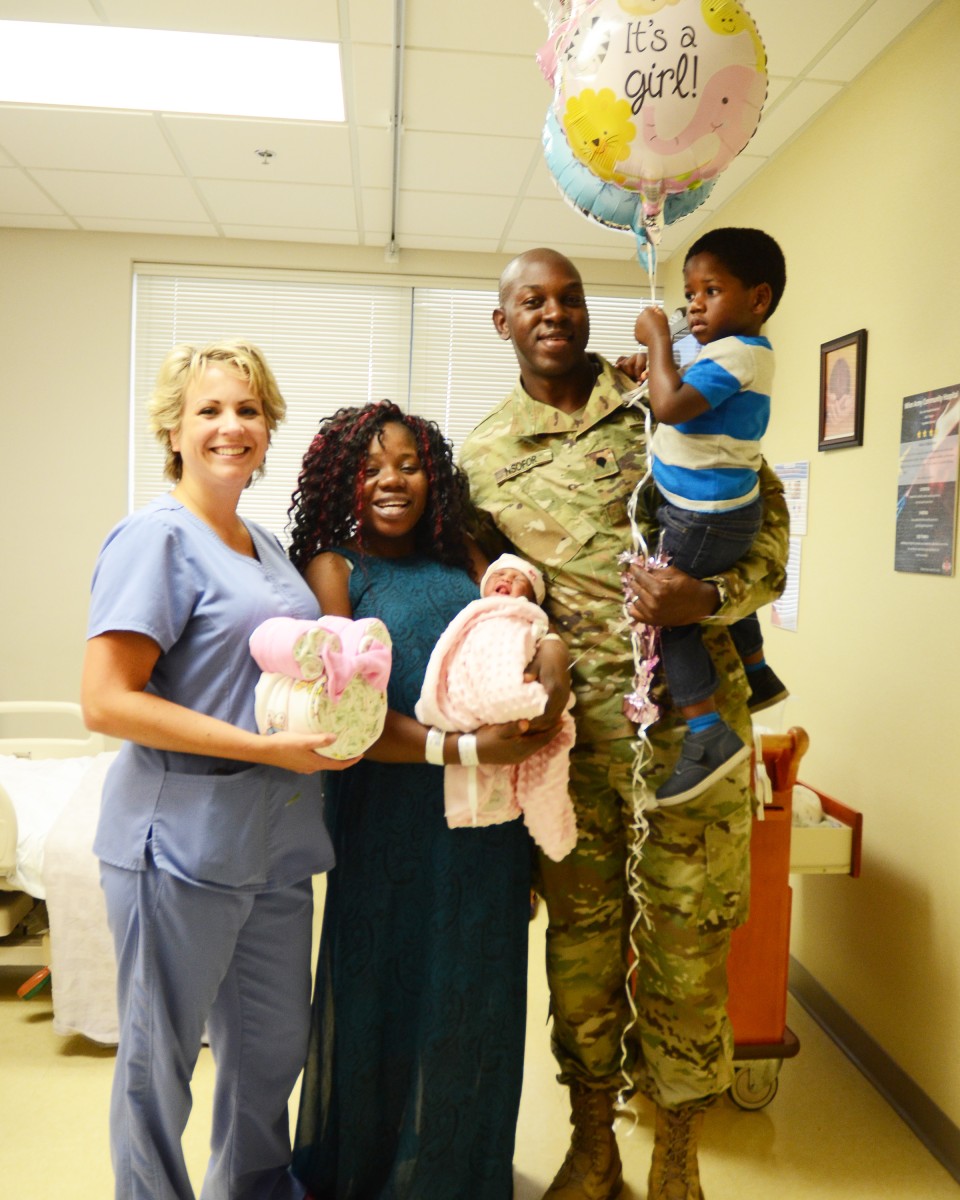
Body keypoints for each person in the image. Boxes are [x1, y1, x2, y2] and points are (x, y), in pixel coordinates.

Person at [459, 248, 789, 1200]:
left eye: (569, 298)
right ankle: (593, 1142)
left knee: (691, 947)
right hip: (572, 751)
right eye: (532, 301)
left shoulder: (667, 393)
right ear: (504, 323)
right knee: (582, 951)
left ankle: (677, 1151)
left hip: (694, 743)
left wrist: (711, 593)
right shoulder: (482, 457)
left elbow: (763, 537)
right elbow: (485, 603)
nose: (554, 314)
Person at [81, 340, 357, 1200]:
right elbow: (106, 702)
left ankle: (255, 1189)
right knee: (160, 1063)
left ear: (269, 430)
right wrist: (262, 749)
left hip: (275, 842)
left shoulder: (266, 546)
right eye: (209, 410)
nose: (231, 426)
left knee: (272, 1047)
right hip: (182, 841)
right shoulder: (154, 539)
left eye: (248, 409)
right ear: (172, 430)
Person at [287, 400, 568, 1200]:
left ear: (433, 475)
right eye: (372, 468)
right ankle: (371, 1174)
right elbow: (346, 722)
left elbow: (526, 619)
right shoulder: (336, 570)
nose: (391, 480)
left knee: (473, 1000)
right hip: (387, 820)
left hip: (482, 824)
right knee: (382, 995)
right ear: (343, 480)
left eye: (408, 464)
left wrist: (550, 653)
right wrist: (462, 746)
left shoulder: (467, 553)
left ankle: (456, 1173)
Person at [632, 226, 789, 805]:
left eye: (711, 290)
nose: (694, 304)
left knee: (669, 611)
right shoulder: (732, 352)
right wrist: (652, 362)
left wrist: (656, 343)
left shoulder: (736, 353)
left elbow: (670, 405)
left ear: (758, 299)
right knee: (698, 590)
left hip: (703, 517)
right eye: (689, 292)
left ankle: (708, 733)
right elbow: (675, 385)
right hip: (720, 510)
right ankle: (758, 671)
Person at [415, 552, 578, 862]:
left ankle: (554, 832)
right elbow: (454, 654)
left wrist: (550, 643)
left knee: (545, 772)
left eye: (519, 580)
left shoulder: (527, 618)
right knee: (485, 773)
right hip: (476, 705)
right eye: (500, 575)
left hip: (523, 700)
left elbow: (538, 643)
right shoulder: (473, 616)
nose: (507, 580)